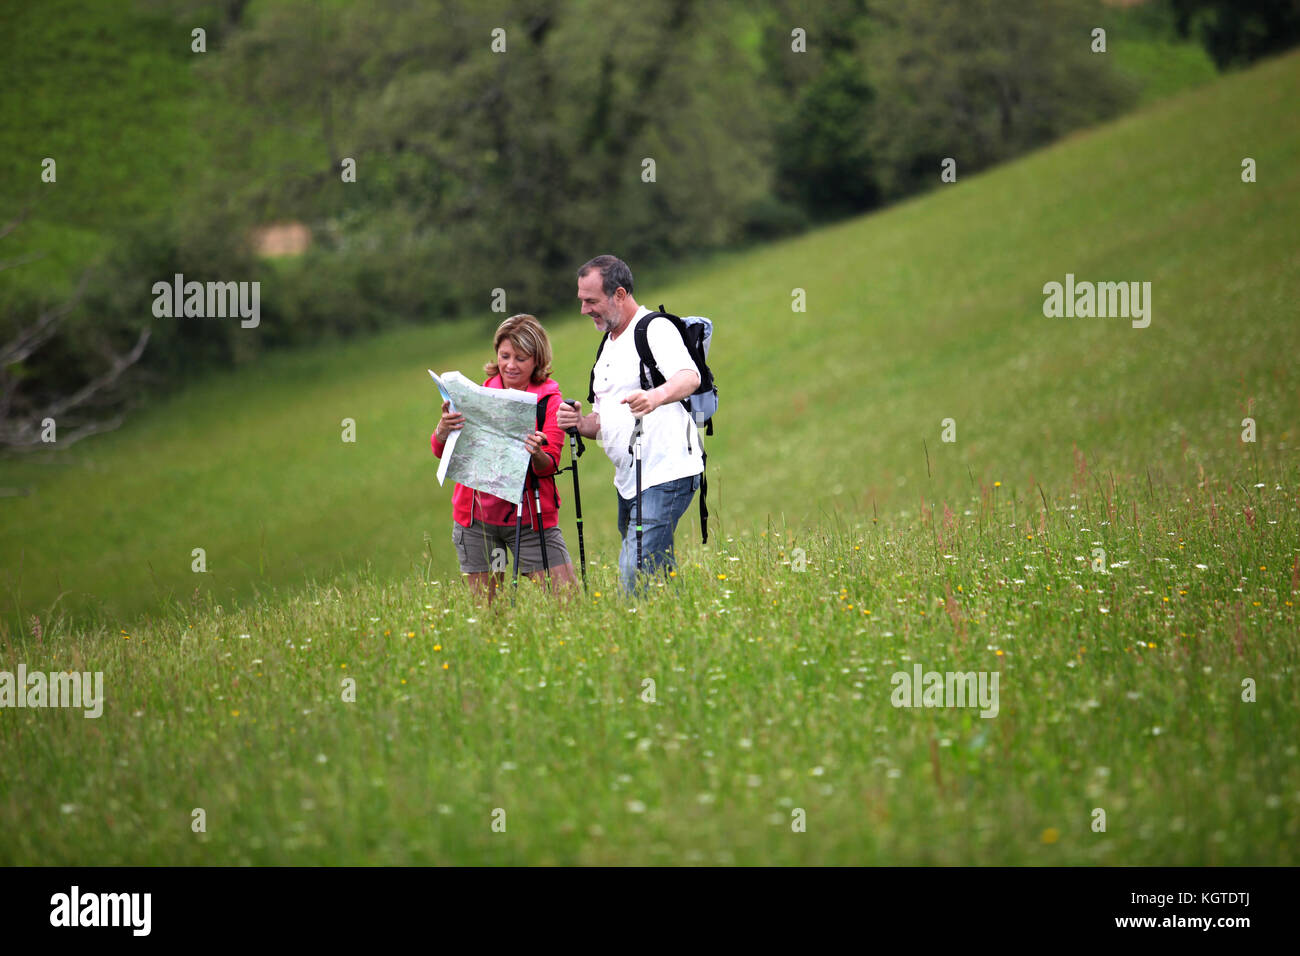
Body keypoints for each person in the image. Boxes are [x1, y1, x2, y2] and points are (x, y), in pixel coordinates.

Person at [556, 255, 703, 596]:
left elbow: (689, 376)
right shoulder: (606, 346)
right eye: (581, 301)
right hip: (629, 479)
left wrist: (656, 397)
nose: (583, 310)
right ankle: (679, 622)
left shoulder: (655, 328)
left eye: (590, 301)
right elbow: (604, 423)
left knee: (634, 568)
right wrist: (579, 422)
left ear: (619, 294)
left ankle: (633, 631)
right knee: (656, 569)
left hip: (667, 472)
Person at [432, 314, 578, 602]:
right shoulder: (480, 394)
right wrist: (442, 430)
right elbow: (441, 452)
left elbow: (549, 464)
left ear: (537, 360)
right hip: (475, 519)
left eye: (521, 358)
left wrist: (536, 452)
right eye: (505, 355)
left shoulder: (550, 401)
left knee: (568, 601)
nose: (510, 365)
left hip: (531, 518)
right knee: (488, 616)